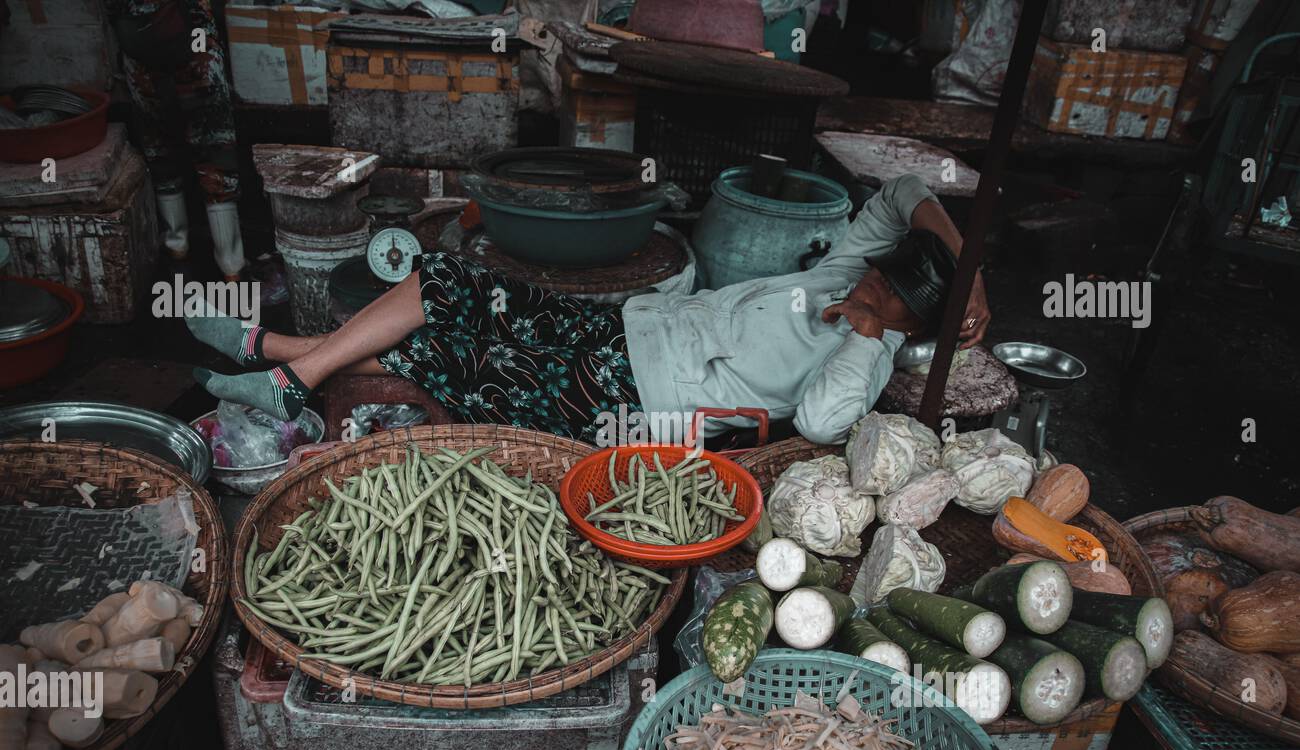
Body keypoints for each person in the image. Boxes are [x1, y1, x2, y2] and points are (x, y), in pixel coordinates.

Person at [188, 173, 990, 443]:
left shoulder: (864, 358)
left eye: (886, 294)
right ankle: (288, 355)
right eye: (880, 276)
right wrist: (969, 263)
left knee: (452, 332)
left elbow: (818, 423)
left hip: (632, 400)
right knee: (455, 283)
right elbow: (901, 195)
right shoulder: (844, 275)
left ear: (909, 324)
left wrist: (871, 332)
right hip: (624, 330)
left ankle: (282, 358)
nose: (867, 287)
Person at [107, 0, 247, 279]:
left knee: (158, 145)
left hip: (138, 47)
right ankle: (232, 265)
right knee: (214, 147)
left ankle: (177, 248)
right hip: (194, 41)